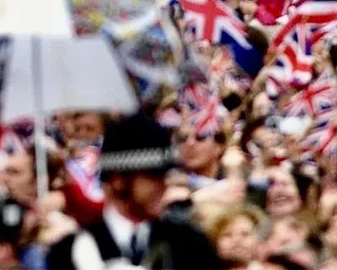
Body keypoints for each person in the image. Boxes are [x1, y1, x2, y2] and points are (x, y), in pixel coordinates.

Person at [47, 114, 221, 270]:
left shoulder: (190, 244)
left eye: (163, 175)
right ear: (118, 180)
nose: (163, 185)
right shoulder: (68, 251)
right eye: (152, 176)